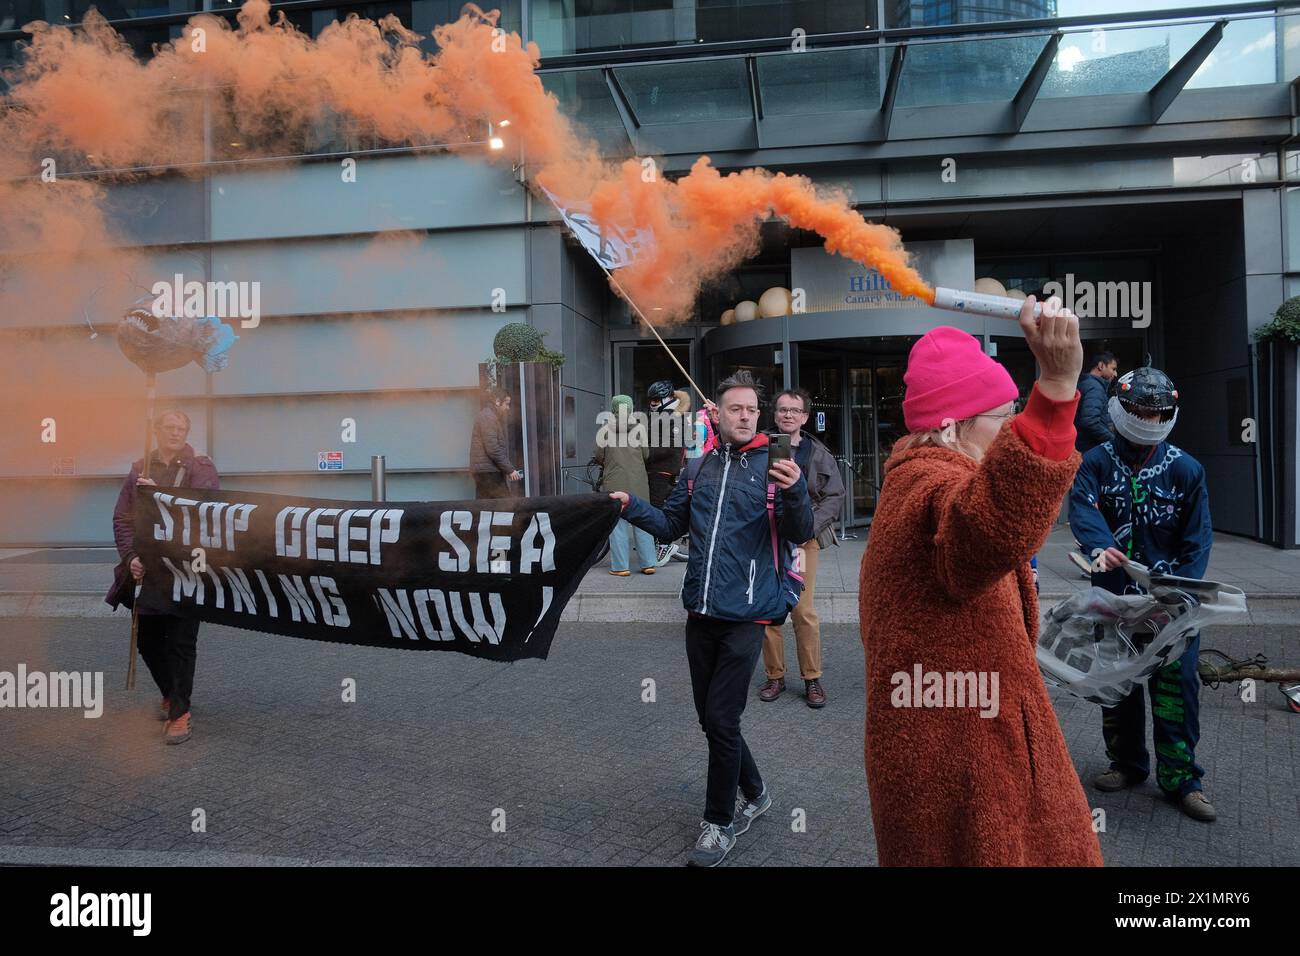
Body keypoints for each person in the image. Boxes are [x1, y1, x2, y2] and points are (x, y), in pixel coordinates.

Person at [859, 298, 1103, 866]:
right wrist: (1059, 384)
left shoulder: (917, 479)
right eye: (1004, 414)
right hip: (965, 759)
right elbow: (989, 530)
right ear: (951, 425)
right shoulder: (931, 488)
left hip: (951, 745)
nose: (1013, 425)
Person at [609, 370, 814, 867]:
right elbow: (670, 524)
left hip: (747, 615)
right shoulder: (697, 469)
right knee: (711, 720)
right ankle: (758, 792)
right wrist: (631, 505)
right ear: (717, 415)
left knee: (722, 720)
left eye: (751, 409)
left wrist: (796, 491)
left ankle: (718, 824)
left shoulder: (778, 464)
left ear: (757, 414)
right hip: (699, 612)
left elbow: (799, 530)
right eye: (734, 409)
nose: (744, 416)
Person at [1069, 366, 1216, 822]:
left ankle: (1182, 780)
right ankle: (1127, 764)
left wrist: (1179, 590)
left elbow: (1198, 540)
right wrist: (1100, 545)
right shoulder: (1094, 461)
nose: (1147, 419)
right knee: (1117, 687)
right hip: (1113, 601)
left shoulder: (1186, 470)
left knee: (1176, 690)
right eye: (1138, 409)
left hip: (1171, 606)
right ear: (1118, 407)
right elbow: (1082, 508)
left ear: (1169, 415)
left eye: (1157, 413)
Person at [105, 409, 220, 745]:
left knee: (182, 643)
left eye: (182, 427)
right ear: (157, 430)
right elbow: (122, 519)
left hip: (188, 571)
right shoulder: (139, 468)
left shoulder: (202, 466)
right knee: (148, 641)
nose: (176, 433)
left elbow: (205, 513)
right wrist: (130, 558)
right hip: (149, 573)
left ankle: (180, 714)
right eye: (169, 427)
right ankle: (172, 694)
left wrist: (159, 496)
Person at [757, 388, 845, 708]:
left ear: (805, 416)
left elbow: (834, 496)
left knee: (802, 610)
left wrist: (810, 524)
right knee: (769, 609)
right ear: (775, 414)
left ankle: (812, 678)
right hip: (767, 540)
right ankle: (775, 675)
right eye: (782, 410)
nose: (788, 415)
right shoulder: (760, 447)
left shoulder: (818, 453)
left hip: (803, 544)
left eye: (795, 411)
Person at [594, 395, 658, 576]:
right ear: (630, 408)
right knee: (643, 521)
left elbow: (599, 456)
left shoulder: (605, 429)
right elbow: (646, 455)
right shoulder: (639, 428)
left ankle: (621, 567)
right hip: (638, 482)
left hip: (615, 482)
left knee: (618, 525)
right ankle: (648, 564)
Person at [469, 388, 521, 499]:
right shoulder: (488, 418)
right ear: (497, 401)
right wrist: (510, 470)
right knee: (505, 505)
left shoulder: (488, 416)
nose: (508, 408)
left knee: (485, 507)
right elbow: (493, 449)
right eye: (506, 404)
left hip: (485, 471)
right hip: (489, 472)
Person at [645, 379, 685, 508]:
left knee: (655, 507)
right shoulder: (656, 415)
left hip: (663, 469)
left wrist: (644, 453)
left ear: (667, 399)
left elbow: (670, 446)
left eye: (656, 400)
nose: (652, 403)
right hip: (654, 468)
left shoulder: (675, 416)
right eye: (651, 400)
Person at [1075, 351, 1118, 453]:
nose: (1115, 374)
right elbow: (1090, 421)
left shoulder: (1089, 384)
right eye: (1113, 369)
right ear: (1101, 366)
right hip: (1090, 449)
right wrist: (1113, 440)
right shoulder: (1095, 387)